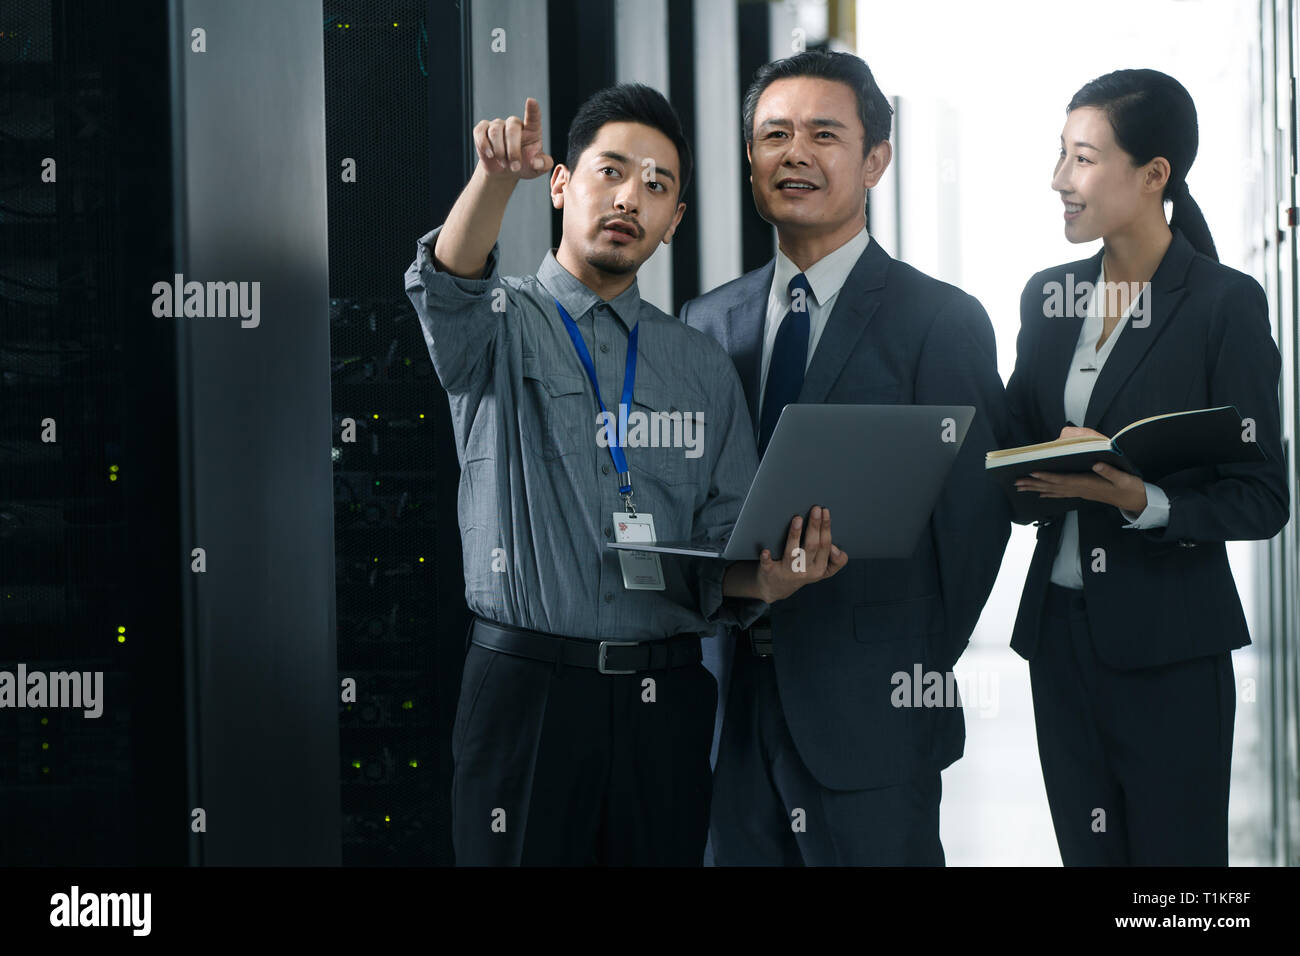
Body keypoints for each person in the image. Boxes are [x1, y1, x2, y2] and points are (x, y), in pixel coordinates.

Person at [405, 84, 846, 866]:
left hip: (665, 702)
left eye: (656, 185)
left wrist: (769, 581)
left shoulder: (700, 366)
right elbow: (450, 277)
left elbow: (724, 543)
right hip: (527, 695)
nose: (628, 198)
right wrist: (494, 177)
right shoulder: (497, 326)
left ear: (674, 221)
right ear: (563, 184)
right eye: (609, 172)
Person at [683, 51, 1010, 866]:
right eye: (774, 135)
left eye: (823, 134)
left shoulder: (939, 321)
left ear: (874, 161)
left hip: (873, 716)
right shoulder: (708, 320)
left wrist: (904, 663)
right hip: (730, 708)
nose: (794, 154)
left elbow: (976, 523)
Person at [1006, 69, 1289, 865]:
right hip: (1061, 642)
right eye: (1061, 155)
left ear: (1153, 175)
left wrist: (1145, 501)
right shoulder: (1047, 297)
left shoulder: (1222, 306)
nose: (1060, 179)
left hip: (1172, 649)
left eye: (1083, 158)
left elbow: (1263, 497)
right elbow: (1014, 445)